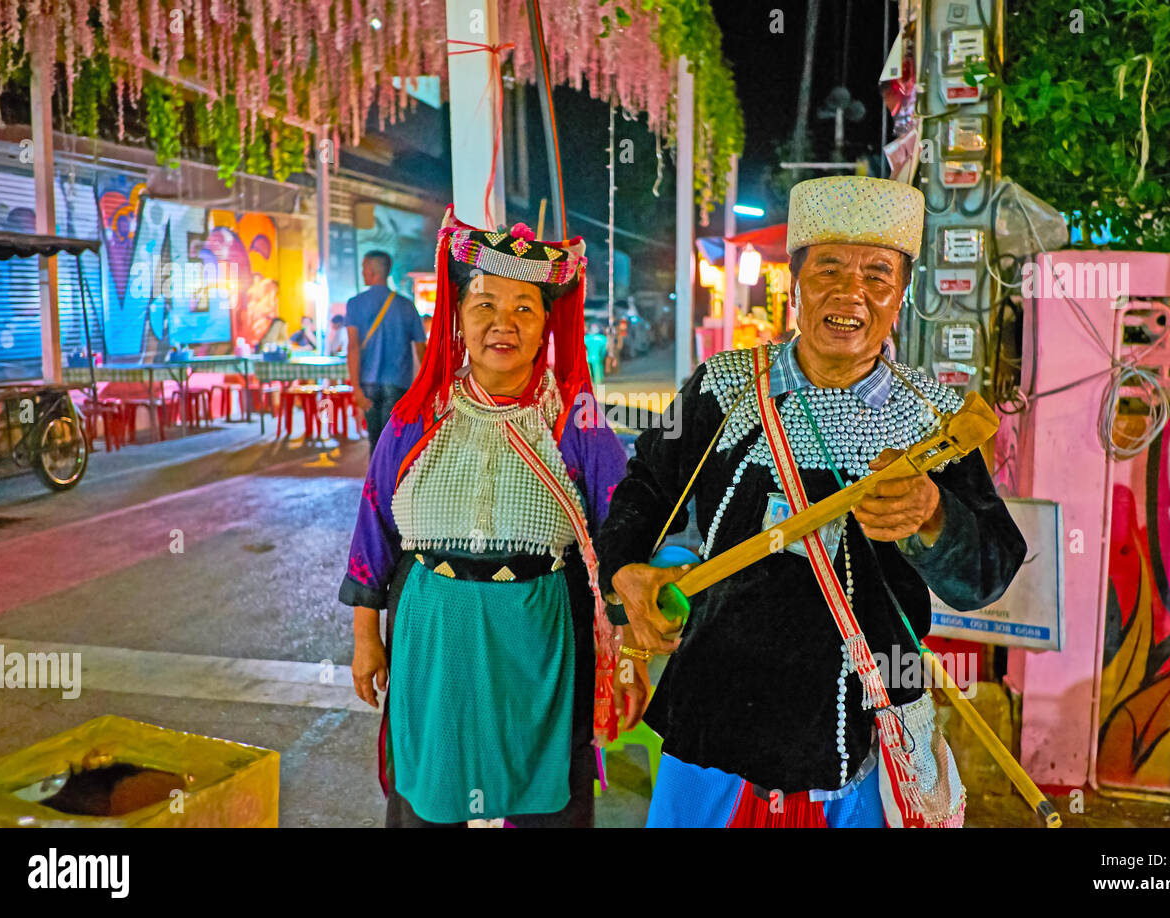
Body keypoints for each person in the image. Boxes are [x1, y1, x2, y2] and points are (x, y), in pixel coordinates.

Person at [595, 176, 1027, 828]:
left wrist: (933, 516)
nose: (851, 292)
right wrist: (624, 569)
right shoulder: (723, 387)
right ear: (794, 283)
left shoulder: (934, 422)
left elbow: (989, 570)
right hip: (718, 713)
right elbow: (645, 486)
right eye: (828, 267)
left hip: (866, 718)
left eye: (878, 275)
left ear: (902, 294)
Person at [339, 208, 636, 828]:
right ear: (459, 319)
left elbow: (622, 537)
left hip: (539, 640)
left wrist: (629, 648)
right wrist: (367, 638)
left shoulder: (574, 424)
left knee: (544, 794)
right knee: (429, 795)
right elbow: (374, 535)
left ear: (546, 323)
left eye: (524, 308)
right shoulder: (415, 418)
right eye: (484, 306)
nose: (503, 323)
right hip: (433, 637)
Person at [345, 251, 427, 448]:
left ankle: (376, 478)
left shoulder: (355, 304)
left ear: (372, 271)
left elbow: (353, 347)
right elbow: (421, 349)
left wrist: (355, 388)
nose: (363, 272)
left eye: (364, 268)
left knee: (375, 440)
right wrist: (425, 387)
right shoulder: (406, 305)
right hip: (399, 383)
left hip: (368, 384)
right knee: (394, 441)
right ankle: (392, 478)